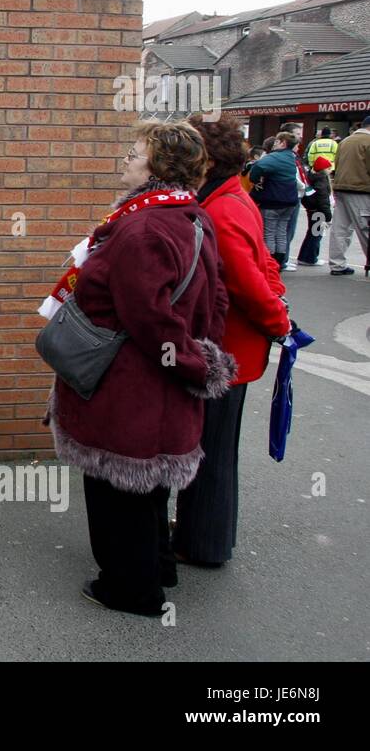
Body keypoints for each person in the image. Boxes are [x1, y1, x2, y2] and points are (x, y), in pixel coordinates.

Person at [45, 120, 233, 617]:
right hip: (164, 383)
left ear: (158, 166)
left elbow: (148, 317)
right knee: (150, 483)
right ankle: (157, 566)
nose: (124, 161)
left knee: (117, 489)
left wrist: (191, 361)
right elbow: (216, 297)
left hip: (128, 383)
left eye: (133, 154)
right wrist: (202, 356)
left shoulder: (142, 227)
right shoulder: (190, 217)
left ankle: (130, 589)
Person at [177, 117, 290, 566]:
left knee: (210, 452)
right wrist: (278, 306)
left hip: (227, 351)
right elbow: (266, 265)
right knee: (214, 448)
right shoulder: (231, 198)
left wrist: (277, 319)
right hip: (231, 348)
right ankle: (202, 533)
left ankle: (203, 544)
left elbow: (247, 280)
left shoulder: (220, 210)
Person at [249, 131, 301, 269]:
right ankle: (280, 259)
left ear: (283, 143)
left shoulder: (276, 157)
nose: (274, 144)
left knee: (269, 232)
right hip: (290, 200)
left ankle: (270, 261)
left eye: (277, 141)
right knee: (282, 231)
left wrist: (255, 180)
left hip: (273, 199)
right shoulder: (292, 157)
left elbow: (258, 166)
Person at [329, 115, 370, 276]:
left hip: (341, 187)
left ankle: (337, 264)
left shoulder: (345, 141)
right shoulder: (367, 142)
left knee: (340, 228)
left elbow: (337, 164)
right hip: (360, 189)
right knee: (365, 228)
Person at [297, 156, 333, 266]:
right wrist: (328, 216)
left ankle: (304, 256)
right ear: (324, 169)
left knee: (312, 233)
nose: (330, 170)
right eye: (328, 168)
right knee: (316, 235)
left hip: (313, 209)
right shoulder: (321, 180)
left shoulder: (312, 177)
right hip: (319, 211)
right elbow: (323, 200)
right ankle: (310, 258)